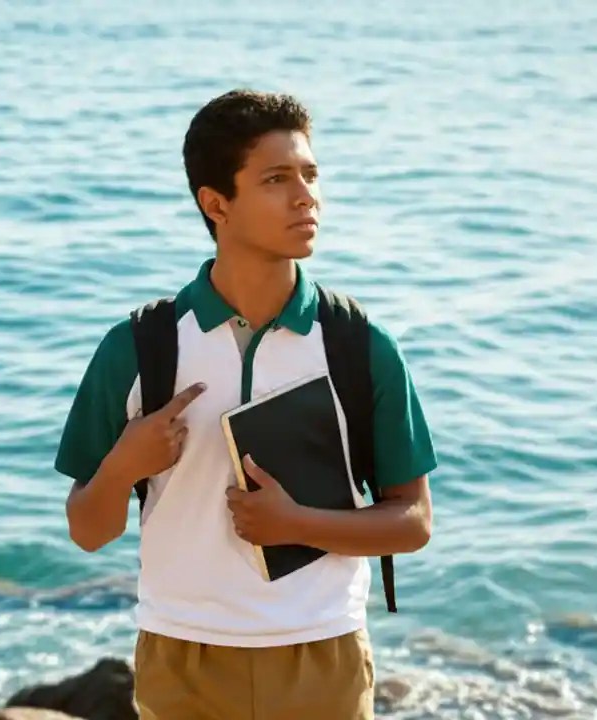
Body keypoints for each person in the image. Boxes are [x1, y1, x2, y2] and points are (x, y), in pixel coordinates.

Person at [54, 88, 436, 720]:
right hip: (184, 658)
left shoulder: (357, 345)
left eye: (310, 174)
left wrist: (295, 524)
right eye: (276, 179)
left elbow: (413, 522)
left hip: (321, 654)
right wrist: (125, 464)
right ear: (216, 203)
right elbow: (88, 531)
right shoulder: (140, 347)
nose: (306, 196)